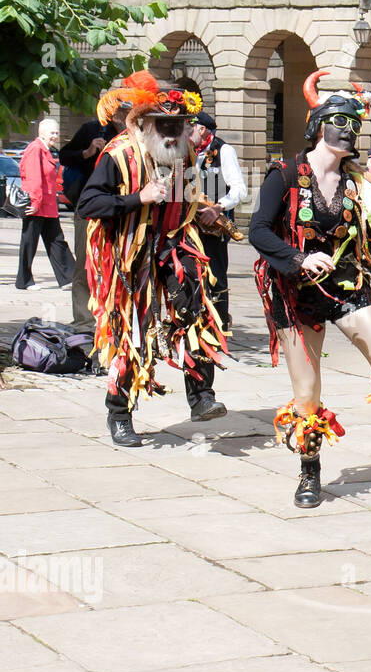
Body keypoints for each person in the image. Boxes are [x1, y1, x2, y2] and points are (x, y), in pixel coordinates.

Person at [249, 71, 371, 510]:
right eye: (340, 122)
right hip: (296, 293)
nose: (350, 132)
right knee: (307, 392)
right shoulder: (284, 175)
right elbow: (257, 231)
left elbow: (361, 232)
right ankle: (310, 472)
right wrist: (298, 257)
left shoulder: (354, 181)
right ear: (318, 125)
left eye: (355, 125)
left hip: (347, 288)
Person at [78, 84, 228, 445]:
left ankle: (202, 397)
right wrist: (136, 198)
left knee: (196, 312)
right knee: (133, 330)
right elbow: (88, 204)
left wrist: (205, 210)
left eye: (180, 125)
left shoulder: (183, 153)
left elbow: (187, 193)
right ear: (144, 123)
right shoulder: (118, 155)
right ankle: (120, 415)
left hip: (174, 245)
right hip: (130, 254)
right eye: (165, 125)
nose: (174, 133)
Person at [62, 73, 147, 334]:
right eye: (125, 109)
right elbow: (65, 155)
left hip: (126, 209)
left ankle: (116, 319)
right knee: (85, 264)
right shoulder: (91, 129)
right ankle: (84, 323)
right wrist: (86, 152)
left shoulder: (138, 136)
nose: (127, 114)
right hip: (90, 209)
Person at [187, 110, 247, 420]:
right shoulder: (181, 151)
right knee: (190, 297)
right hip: (186, 233)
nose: (189, 130)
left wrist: (219, 206)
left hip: (212, 232)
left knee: (213, 289)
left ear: (206, 129)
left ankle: (218, 319)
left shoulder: (222, 150)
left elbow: (239, 189)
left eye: (193, 126)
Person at [15, 119, 76, 291]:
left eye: (57, 133)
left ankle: (69, 277)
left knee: (57, 241)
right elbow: (34, 178)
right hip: (38, 205)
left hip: (47, 206)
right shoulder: (36, 149)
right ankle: (24, 281)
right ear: (41, 133)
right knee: (29, 243)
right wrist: (35, 202)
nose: (55, 136)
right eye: (52, 133)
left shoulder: (44, 150)